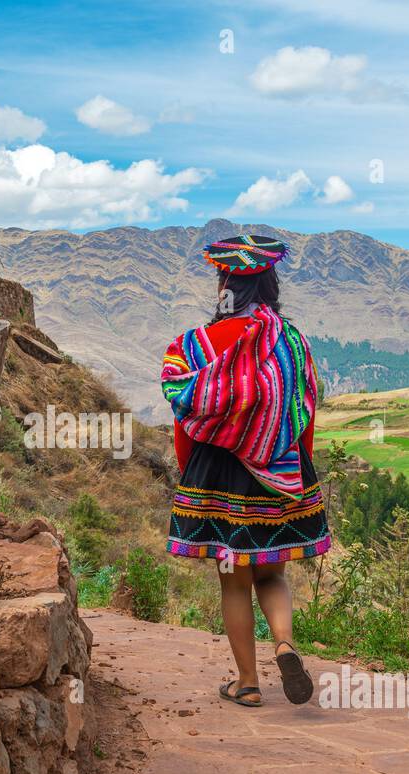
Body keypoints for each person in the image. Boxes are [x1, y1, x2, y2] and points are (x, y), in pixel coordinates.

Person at [161, 235, 330, 707]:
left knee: (232, 578)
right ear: (269, 285)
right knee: (271, 574)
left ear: (224, 285)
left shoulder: (193, 346)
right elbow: (304, 410)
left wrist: (189, 469)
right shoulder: (291, 344)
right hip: (279, 467)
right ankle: (284, 643)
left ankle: (248, 684)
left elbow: (186, 417)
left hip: (215, 472)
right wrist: (296, 467)